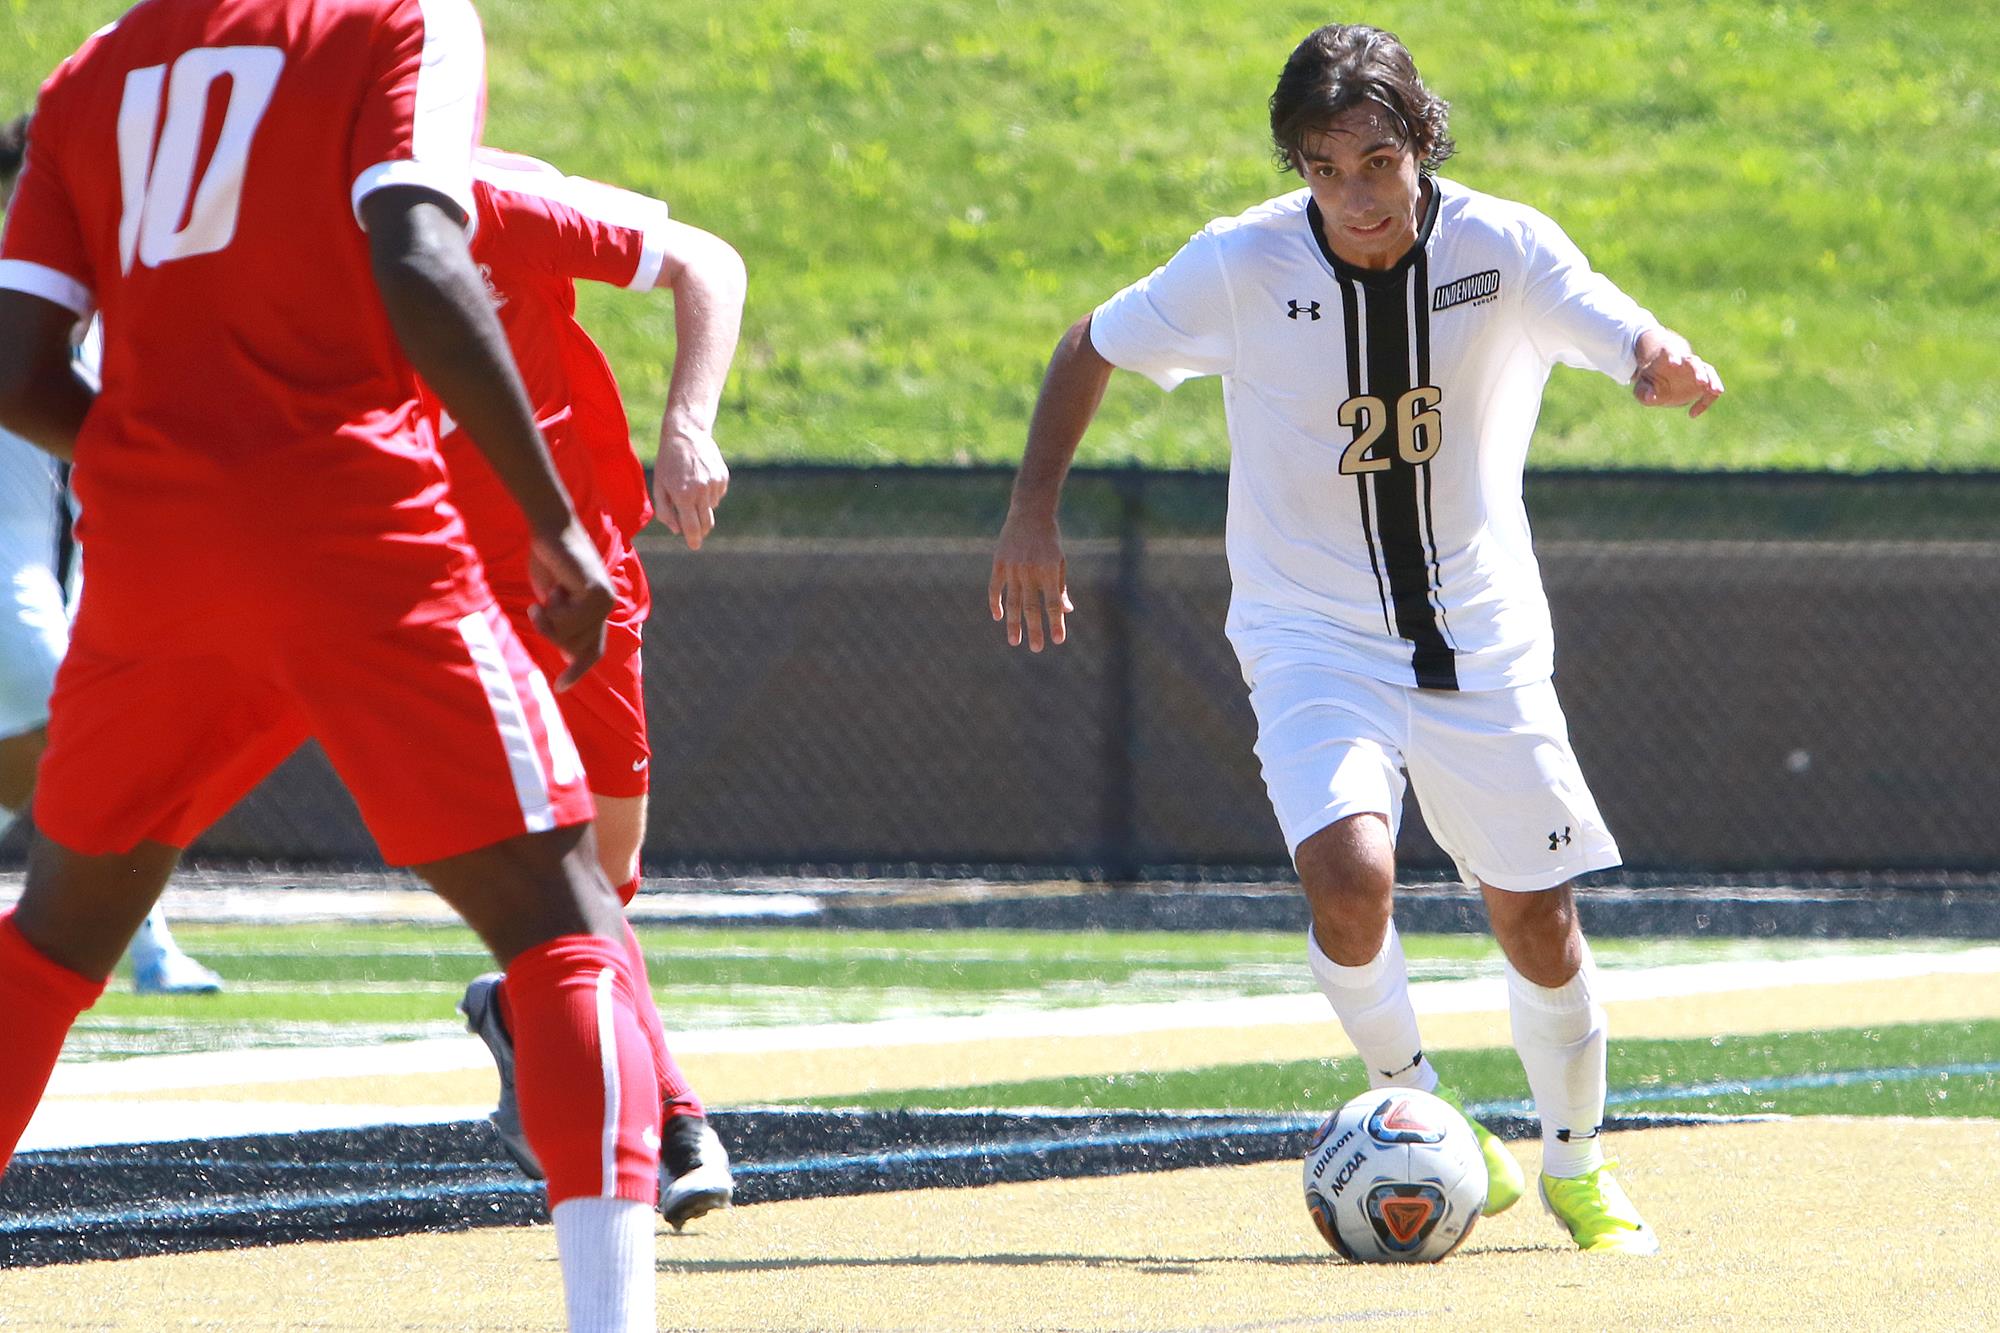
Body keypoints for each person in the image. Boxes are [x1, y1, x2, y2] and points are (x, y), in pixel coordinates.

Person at [989, 23, 1724, 1256]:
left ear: (1421, 141)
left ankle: (1577, 1166)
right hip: (1308, 632)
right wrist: (1028, 512)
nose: (1354, 195)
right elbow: (1092, 341)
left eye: (1376, 159)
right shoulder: (1237, 261)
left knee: (1533, 914)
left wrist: (1653, 363)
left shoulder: (1502, 243)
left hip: (1481, 637)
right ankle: (1425, 1108)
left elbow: (1614, 327)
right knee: (1346, 876)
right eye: (1322, 169)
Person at [0, 2, 668, 1327]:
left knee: (53, 943)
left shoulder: (94, 69)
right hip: (357, 527)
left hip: (156, 559)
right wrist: (550, 517)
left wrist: (163, 466)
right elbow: (418, 254)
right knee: (565, 920)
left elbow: (16, 367)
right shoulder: (398, 18)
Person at [441, 145, 744, 1230]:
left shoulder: (494, 197)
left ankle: (525, 1011)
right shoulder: (289, 227)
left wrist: (687, 424)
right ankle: (669, 1117)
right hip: (424, 579)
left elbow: (705, 261)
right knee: (551, 865)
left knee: (605, 871)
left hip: (580, 564)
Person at [0, 117, 222, 995]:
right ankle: (150, 948)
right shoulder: (34, 309)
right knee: (111, 784)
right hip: (14, 593)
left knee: (79, 783)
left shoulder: (86, 316)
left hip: (52, 587)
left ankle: (149, 946)